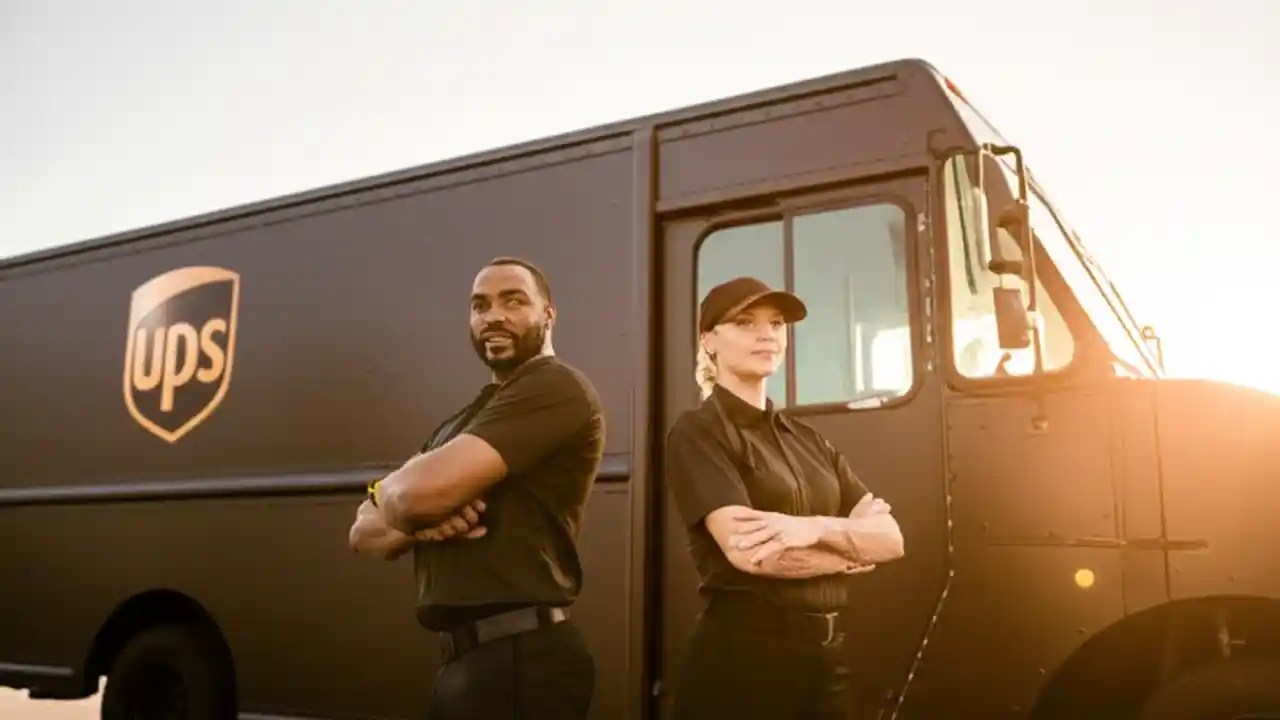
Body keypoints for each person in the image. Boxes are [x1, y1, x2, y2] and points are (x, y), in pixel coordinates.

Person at [347, 256, 604, 720]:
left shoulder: (555, 387)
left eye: (514, 301)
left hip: (523, 662)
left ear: (549, 315)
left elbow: (412, 498)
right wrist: (416, 515)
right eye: (480, 305)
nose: (493, 316)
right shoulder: (463, 421)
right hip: (467, 665)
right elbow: (363, 533)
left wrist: (411, 502)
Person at [664, 276, 906, 720]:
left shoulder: (808, 439)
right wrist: (850, 553)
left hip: (830, 660)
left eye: (776, 323)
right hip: (744, 664)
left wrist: (812, 528)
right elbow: (756, 555)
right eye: (745, 322)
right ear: (708, 340)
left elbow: (892, 539)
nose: (767, 334)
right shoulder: (698, 432)